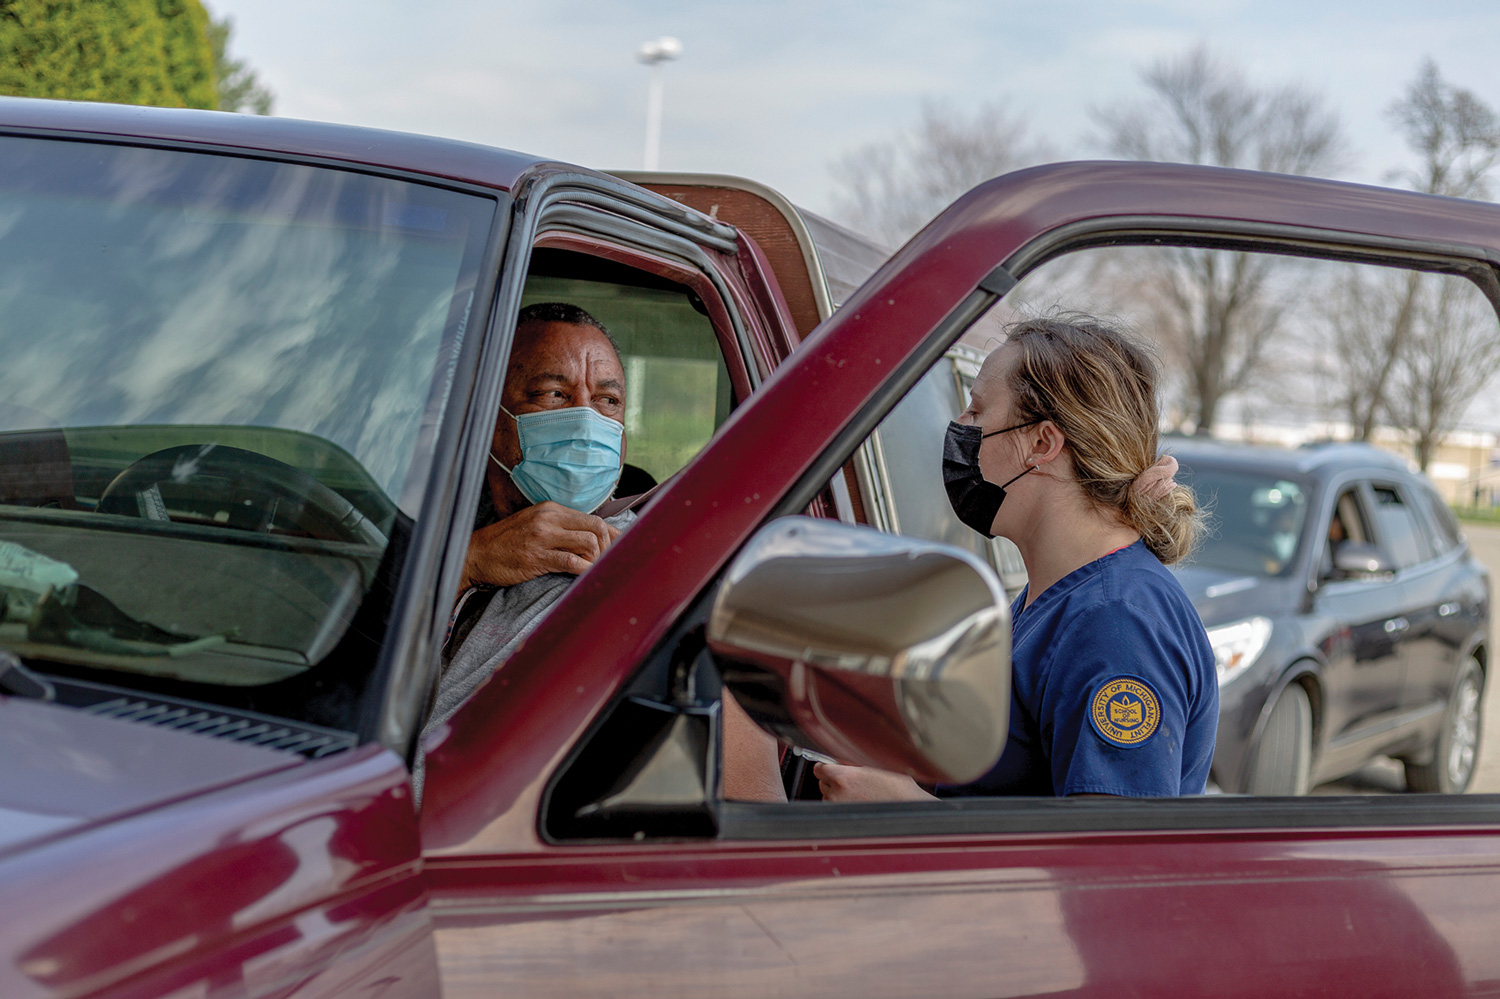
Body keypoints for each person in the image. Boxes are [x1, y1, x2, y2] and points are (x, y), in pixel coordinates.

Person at [816, 315, 1218, 801]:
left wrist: (902, 810)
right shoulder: (1058, 594)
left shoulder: (1115, 621)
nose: (959, 425)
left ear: (1041, 443)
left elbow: (1110, 844)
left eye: (977, 409)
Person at [419, 302, 783, 801]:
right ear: (482, 411)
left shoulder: (664, 577)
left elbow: (745, 808)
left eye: (608, 401)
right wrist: (469, 561)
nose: (587, 421)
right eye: (554, 394)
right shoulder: (436, 533)